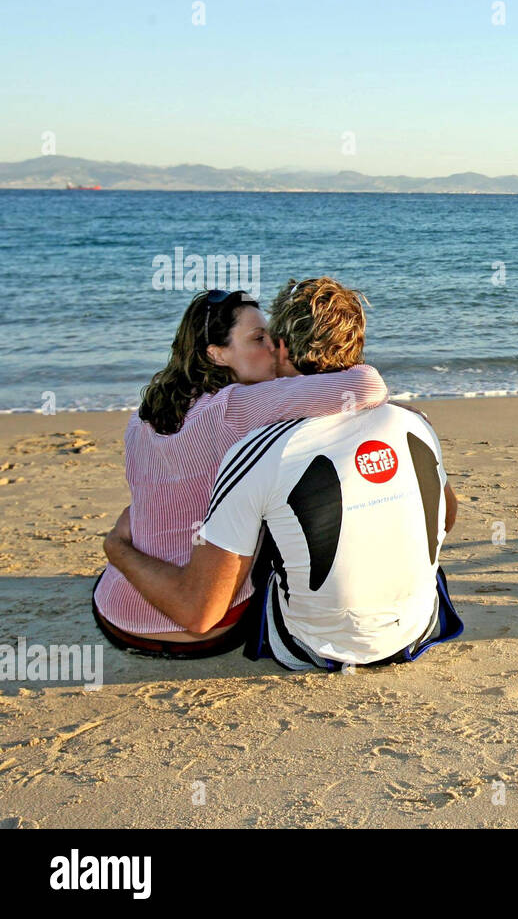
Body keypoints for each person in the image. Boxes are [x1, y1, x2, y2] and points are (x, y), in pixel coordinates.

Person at [104, 278, 462, 671]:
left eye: (273, 339)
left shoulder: (142, 419)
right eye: (259, 339)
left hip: (120, 607)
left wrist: (123, 545)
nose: (271, 349)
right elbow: (365, 383)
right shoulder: (239, 410)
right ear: (216, 354)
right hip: (204, 612)